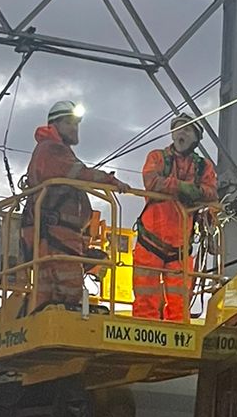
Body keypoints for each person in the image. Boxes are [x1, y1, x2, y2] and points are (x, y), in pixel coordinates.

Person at [21, 98, 130, 311]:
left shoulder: (52, 148)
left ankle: (45, 322)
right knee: (69, 287)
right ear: (55, 125)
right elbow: (79, 173)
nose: (74, 128)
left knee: (48, 289)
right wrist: (111, 181)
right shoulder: (52, 150)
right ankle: (60, 322)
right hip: (56, 234)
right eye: (69, 123)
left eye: (76, 124)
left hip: (53, 234)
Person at [133, 108, 217, 322]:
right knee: (145, 299)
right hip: (151, 241)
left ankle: (177, 331)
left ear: (196, 137)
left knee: (180, 303)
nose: (182, 133)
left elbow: (211, 193)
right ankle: (144, 331)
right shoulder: (158, 157)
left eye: (188, 130)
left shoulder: (203, 167)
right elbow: (152, 181)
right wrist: (184, 188)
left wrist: (193, 193)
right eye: (179, 128)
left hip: (180, 247)